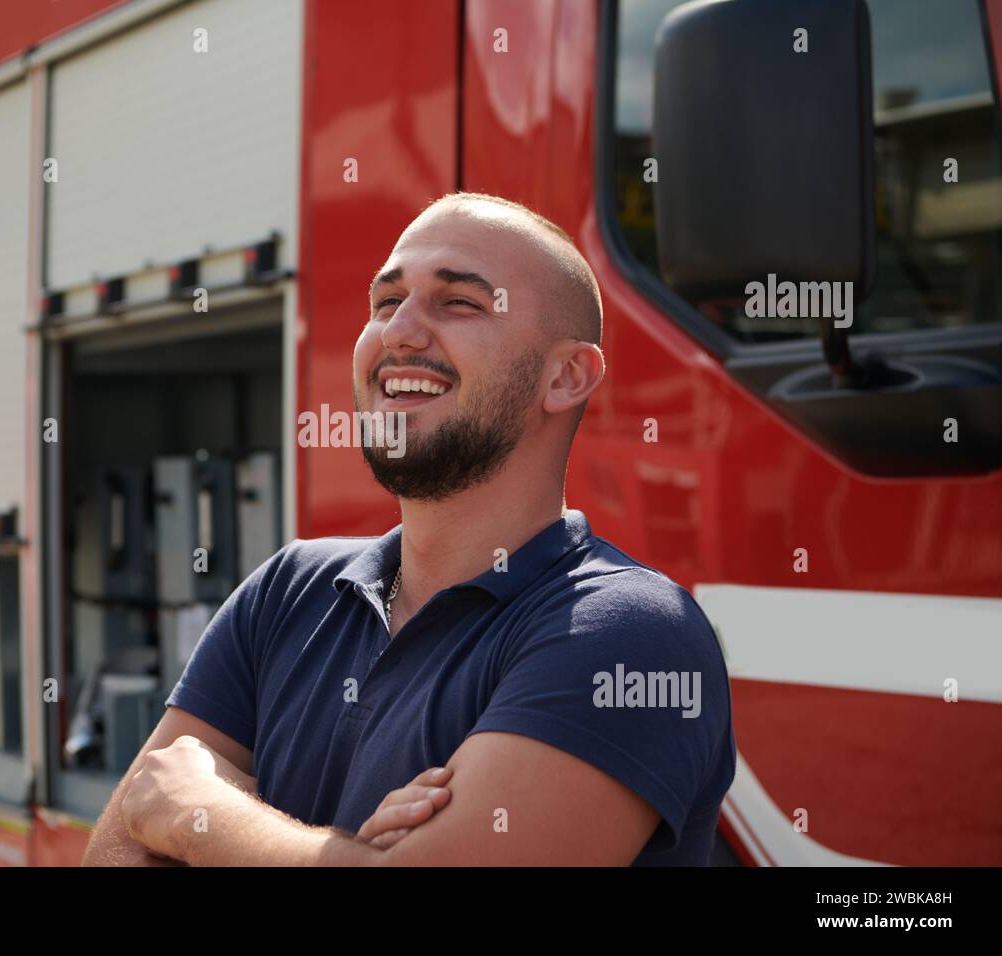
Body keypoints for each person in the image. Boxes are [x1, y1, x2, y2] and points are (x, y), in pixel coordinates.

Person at [82, 191, 736, 866]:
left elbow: (164, 806)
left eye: (459, 303)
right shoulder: (286, 591)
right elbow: (110, 858)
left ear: (567, 375)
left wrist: (205, 812)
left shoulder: (629, 632)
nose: (398, 332)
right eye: (387, 302)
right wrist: (355, 854)